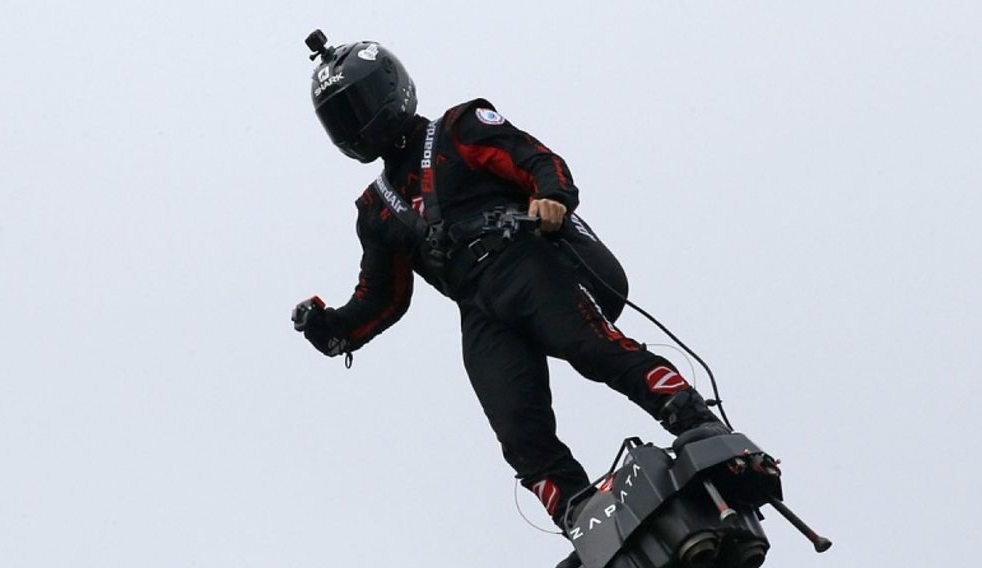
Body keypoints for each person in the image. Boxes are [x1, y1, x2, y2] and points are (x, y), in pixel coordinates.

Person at [294, 32, 728, 530]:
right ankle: (582, 518)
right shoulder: (375, 210)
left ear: (391, 89)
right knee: (516, 426)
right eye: (342, 117)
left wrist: (553, 198)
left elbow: (537, 161)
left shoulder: (460, 127)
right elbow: (382, 299)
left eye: (360, 104)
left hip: (524, 261)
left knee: (592, 349)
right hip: (478, 309)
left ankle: (694, 421)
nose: (358, 123)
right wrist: (329, 329)